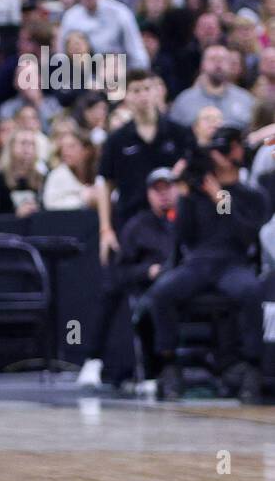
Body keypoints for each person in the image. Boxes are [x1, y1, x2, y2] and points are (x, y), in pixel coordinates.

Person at [143, 129, 269, 402]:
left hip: (232, 262)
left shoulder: (252, 195)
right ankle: (169, 364)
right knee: (161, 293)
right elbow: (183, 236)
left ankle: (252, 367)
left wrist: (221, 200)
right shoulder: (195, 195)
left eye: (223, 150)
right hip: (198, 263)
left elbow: (246, 236)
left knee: (251, 291)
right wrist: (184, 196)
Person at [76, 167, 178, 390]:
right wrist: (147, 271)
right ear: (148, 194)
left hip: (183, 285)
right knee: (145, 302)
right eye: (157, 190)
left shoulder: (187, 220)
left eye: (168, 188)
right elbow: (121, 272)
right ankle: (153, 370)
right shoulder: (137, 226)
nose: (163, 195)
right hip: (150, 289)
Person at [96, 70, 194, 264]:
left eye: (147, 89)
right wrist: (105, 229)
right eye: (136, 90)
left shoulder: (179, 133)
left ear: (157, 91)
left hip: (174, 220)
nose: (143, 96)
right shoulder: (116, 140)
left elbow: (195, 172)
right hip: (131, 220)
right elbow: (105, 183)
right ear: (126, 96)